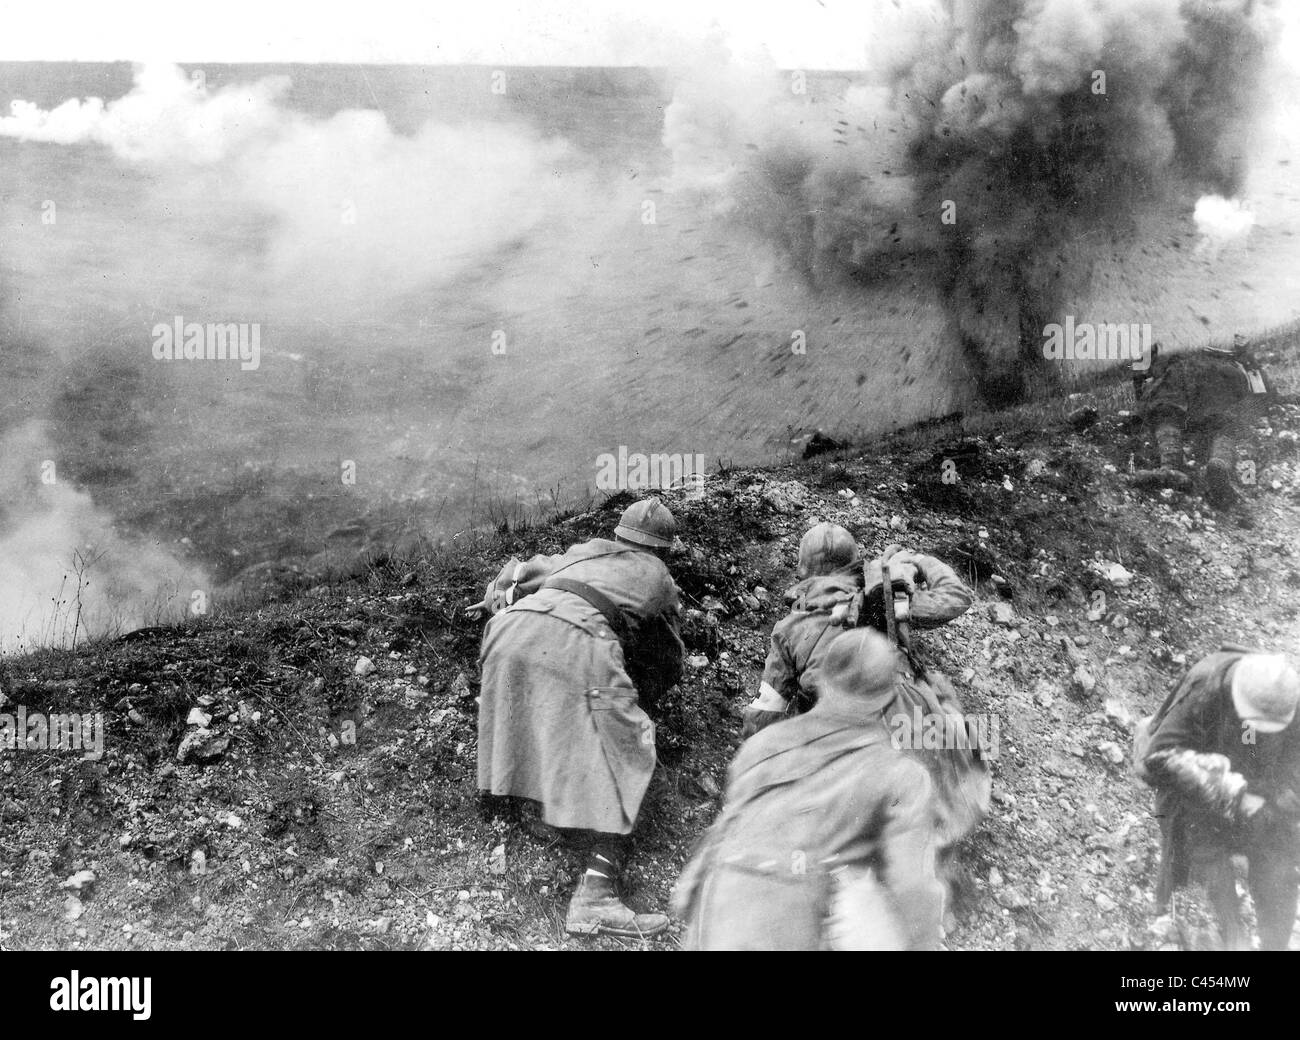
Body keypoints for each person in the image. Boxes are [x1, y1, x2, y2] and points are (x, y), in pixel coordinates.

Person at [471, 497, 684, 937]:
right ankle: (596, 895)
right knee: (629, 750)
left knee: (544, 713)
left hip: (507, 633)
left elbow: (513, 575)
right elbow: (666, 657)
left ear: (619, 535)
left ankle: (525, 802)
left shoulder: (579, 552)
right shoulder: (658, 576)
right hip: (576, 644)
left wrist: (498, 597)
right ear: (663, 549)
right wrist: (642, 703)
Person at [673, 628, 945, 950]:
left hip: (715, 920)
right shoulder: (902, 776)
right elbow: (912, 888)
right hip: (794, 926)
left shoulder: (759, 746)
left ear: (822, 678)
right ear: (889, 695)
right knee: (863, 894)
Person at [1140, 648, 1300, 950]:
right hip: (1203, 798)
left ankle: (1275, 945)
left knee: (1281, 864)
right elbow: (1157, 757)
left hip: (1263, 796)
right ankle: (1232, 934)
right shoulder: (1206, 687)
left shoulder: (1289, 699)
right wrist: (1220, 785)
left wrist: (1271, 802)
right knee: (1205, 853)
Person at [1132, 334, 1273, 505]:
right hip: (1220, 379)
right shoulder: (1233, 331)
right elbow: (1256, 379)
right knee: (1224, 425)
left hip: (1177, 376)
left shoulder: (1168, 333)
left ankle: (1170, 467)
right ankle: (1220, 461)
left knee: (1166, 415)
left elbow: (1140, 365)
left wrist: (1142, 398)